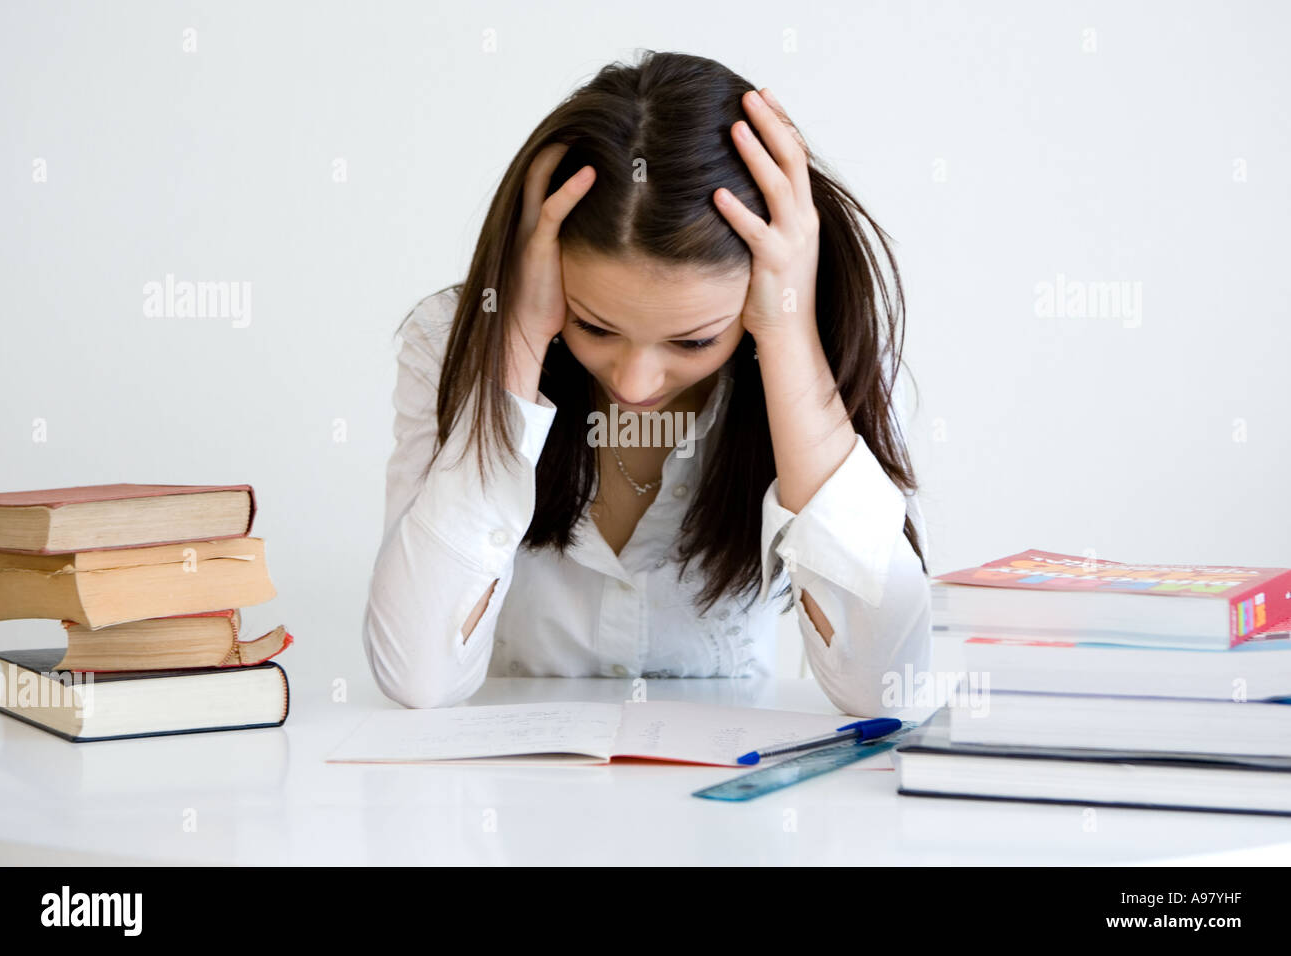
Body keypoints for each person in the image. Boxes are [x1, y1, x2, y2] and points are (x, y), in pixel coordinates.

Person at [363, 50, 931, 717]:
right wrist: (517, 338)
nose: (635, 383)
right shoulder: (448, 342)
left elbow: (885, 692)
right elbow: (419, 679)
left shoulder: (827, 353)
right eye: (594, 325)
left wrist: (791, 341)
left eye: (693, 341)